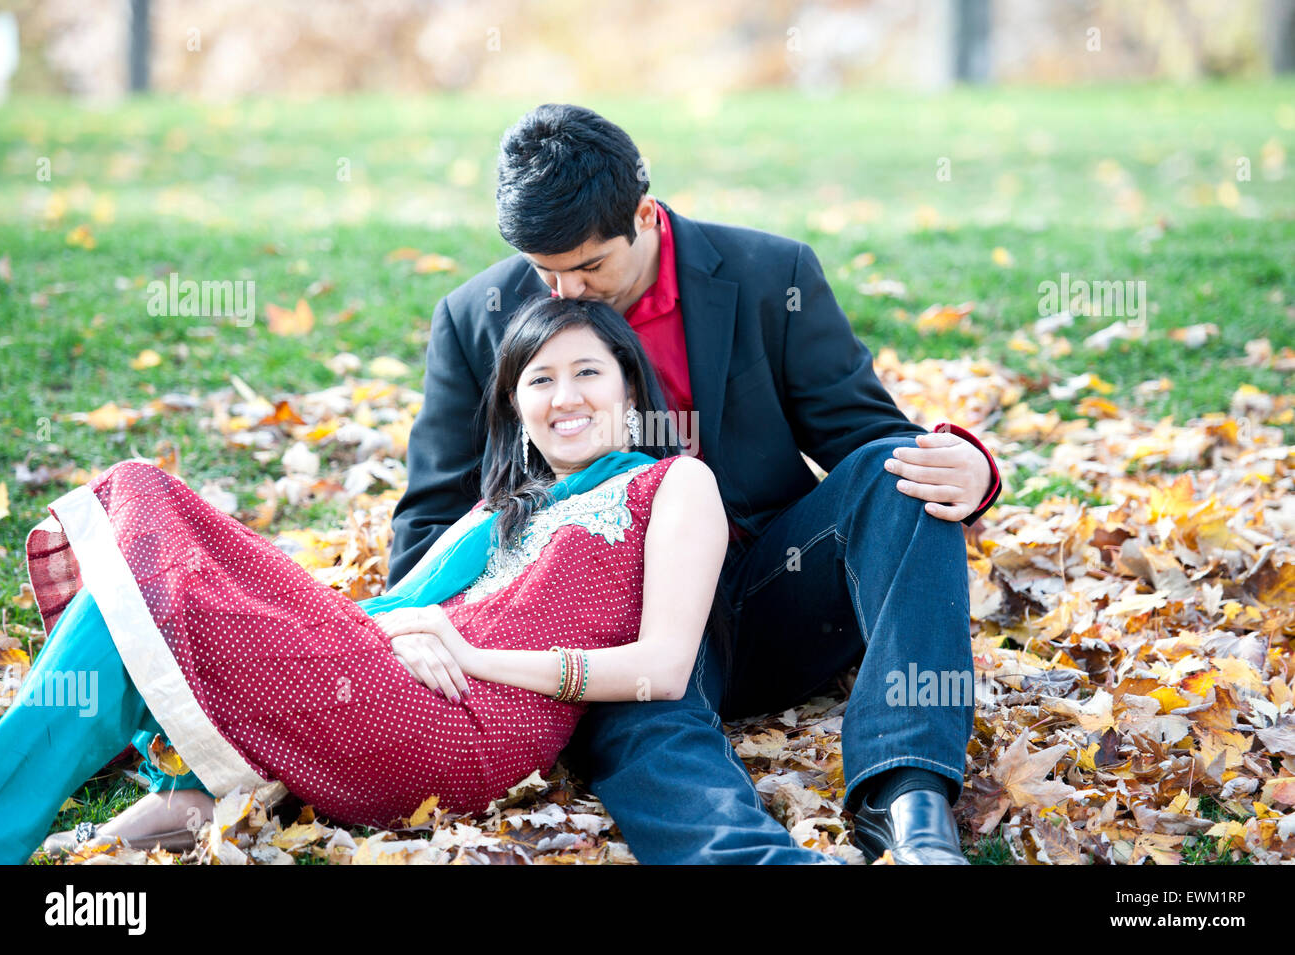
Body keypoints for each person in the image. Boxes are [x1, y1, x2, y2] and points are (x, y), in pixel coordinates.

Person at [387, 104, 1004, 865]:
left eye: (589, 268)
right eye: (547, 273)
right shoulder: (473, 319)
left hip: (771, 587)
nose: (566, 293)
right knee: (649, 732)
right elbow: (432, 514)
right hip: (604, 622)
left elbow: (869, 436)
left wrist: (970, 467)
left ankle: (907, 800)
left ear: (644, 214)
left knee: (897, 472)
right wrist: (423, 637)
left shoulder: (772, 275)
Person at [0, 296, 728, 865]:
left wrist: (472, 657)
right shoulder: (497, 508)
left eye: (588, 372)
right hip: (390, 678)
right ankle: (181, 799)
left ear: (630, 388)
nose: (565, 396)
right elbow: (402, 606)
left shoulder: (675, 483)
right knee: (139, 600)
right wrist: (404, 636)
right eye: (540, 379)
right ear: (518, 405)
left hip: (461, 725)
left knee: (144, 498)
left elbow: (661, 670)